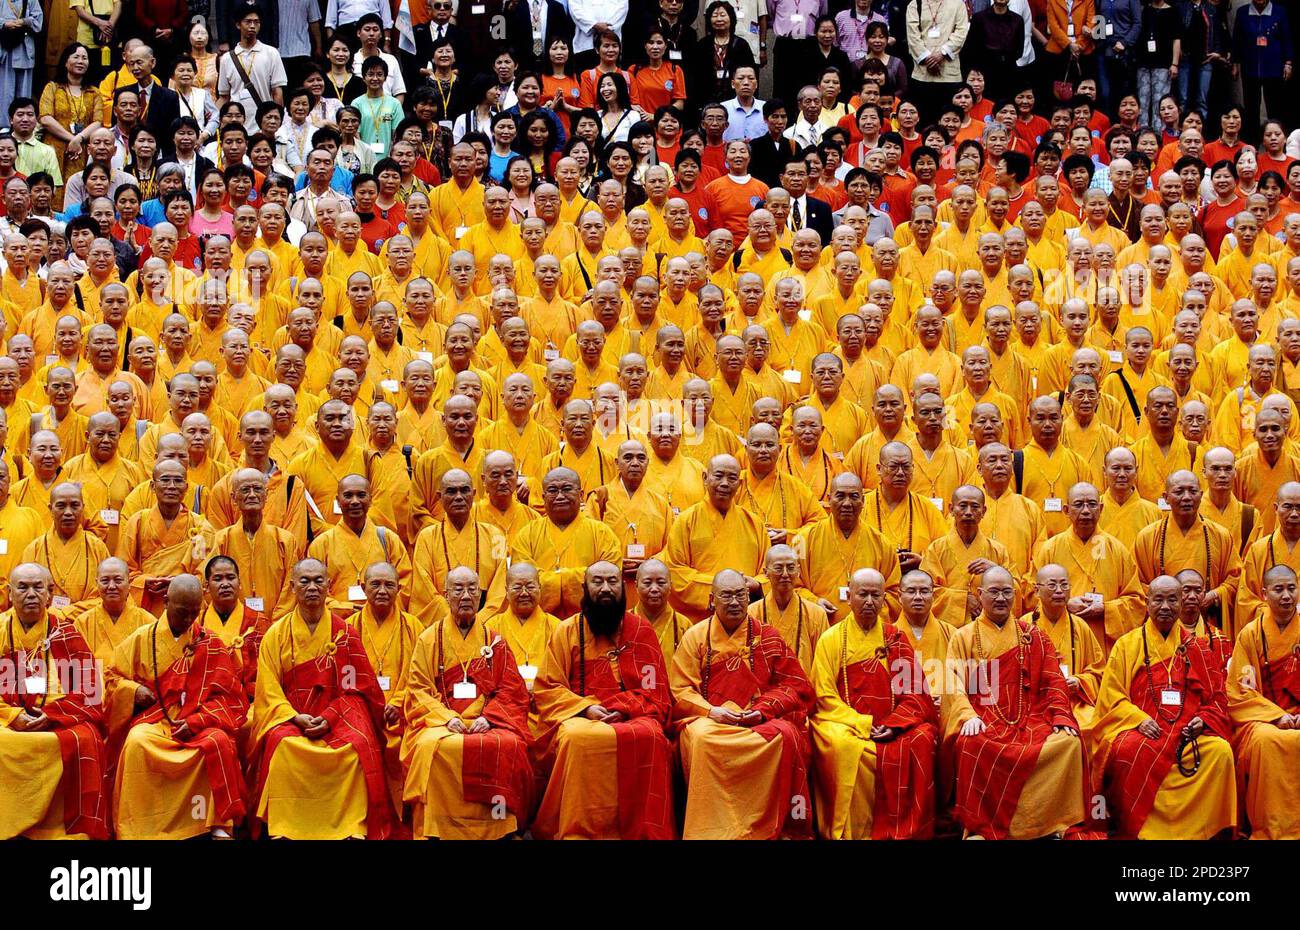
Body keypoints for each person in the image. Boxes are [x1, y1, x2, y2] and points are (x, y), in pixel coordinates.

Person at [248, 558, 394, 839]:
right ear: (292, 587)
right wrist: (293, 717)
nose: (312, 587)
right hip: (291, 715)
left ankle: (351, 825)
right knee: (283, 746)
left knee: (357, 746)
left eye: (318, 581)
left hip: (337, 715)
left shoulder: (344, 633)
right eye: (305, 581)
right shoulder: (276, 634)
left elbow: (357, 689)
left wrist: (329, 717)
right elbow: (268, 689)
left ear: (329, 586)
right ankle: (285, 826)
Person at [531, 561, 676, 839]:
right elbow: (548, 687)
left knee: (652, 736)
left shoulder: (641, 632)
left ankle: (644, 830)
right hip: (583, 716)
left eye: (612, 582)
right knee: (576, 737)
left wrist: (623, 710)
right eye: (598, 582)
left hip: (634, 716)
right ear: (585, 589)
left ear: (623, 588)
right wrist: (586, 708)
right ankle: (579, 831)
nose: (606, 588)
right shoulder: (567, 631)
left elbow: (655, 690)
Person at [942, 566, 1087, 839]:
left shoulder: (1032, 635)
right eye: (994, 592)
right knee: (969, 744)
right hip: (985, 717)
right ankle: (980, 827)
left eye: (1007, 592)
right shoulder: (963, 636)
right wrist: (966, 715)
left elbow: (1053, 679)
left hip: (1030, 716)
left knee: (1068, 743)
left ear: (1016, 595)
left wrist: (1061, 718)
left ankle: (1048, 823)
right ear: (980, 594)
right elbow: (952, 681)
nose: (1001, 598)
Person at [670, 568, 815, 839]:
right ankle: (710, 829)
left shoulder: (767, 636)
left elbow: (795, 685)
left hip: (758, 719)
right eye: (727, 595)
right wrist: (712, 711)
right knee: (700, 738)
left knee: (785, 736)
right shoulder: (696, 636)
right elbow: (680, 689)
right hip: (712, 721)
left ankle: (764, 826)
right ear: (712, 600)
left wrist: (761, 711)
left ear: (749, 598)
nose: (735, 602)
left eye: (740, 595)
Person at [1092, 574, 1237, 838]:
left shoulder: (1198, 647)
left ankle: (1205, 829)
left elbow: (1217, 697)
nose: (1166, 607)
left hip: (1185, 732)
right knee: (1127, 751)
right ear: (1147, 603)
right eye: (1158, 599)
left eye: (1172, 599)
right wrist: (1138, 719)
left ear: (1182, 603)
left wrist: (1203, 720)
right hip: (1144, 729)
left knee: (1220, 751)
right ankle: (1141, 830)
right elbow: (1111, 695)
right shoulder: (1127, 644)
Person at [109, 573, 247, 839]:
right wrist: (134, 690)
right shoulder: (142, 638)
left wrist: (197, 721)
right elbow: (112, 678)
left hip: (197, 720)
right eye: (182, 612)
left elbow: (230, 698)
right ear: (165, 601)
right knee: (137, 742)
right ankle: (138, 824)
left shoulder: (210, 642)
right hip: (155, 721)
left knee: (218, 741)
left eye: (194, 613)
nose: (188, 621)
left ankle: (216, 822)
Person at [401, 566, 534, 839]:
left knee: (507, 744)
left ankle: (499, 826)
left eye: (472, 589)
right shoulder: (429, 639)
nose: (465, 596)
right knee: (429, 746)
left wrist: (491, 717)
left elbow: (512, 689)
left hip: (487, 722)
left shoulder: (493, 640)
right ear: (446, 595)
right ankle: (438, 826)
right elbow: (418, 689)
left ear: (480, 596)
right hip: (444, 722)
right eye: (458, 589)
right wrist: (446, 718)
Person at [810, 567, 940, 839]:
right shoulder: (831, 639)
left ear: (884, 599)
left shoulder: (894, 637)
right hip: (847, 722)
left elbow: (915, 692)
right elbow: (823, 696)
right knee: (843, 744)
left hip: (892, 722)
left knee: (923, 738)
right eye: (863, 594)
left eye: (875, 595)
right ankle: (854, 830)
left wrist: (895, 725)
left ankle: (906, 829)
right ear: (849, 596)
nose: (869, 602)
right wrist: (862, 723)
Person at [0, 562, 108, 839]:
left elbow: (92, 689)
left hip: (57, 718)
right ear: (9, 593)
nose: (31, 594)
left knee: (86, 739)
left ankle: (68, 828)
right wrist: (12, 716)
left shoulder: (66, 631)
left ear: (49, 594)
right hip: (7, 719)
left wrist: (54, 714)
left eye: (38, 587)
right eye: (22, 587)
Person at [1228, 563, 1300, 838]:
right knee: (1266, 741)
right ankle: (1269, 828)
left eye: (1291, 589)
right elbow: (1239, 690)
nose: (1286, 596)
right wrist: (1276, 716)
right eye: (1278, 589)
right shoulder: (1251, 634)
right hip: (1261, 718)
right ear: (1264, 593)